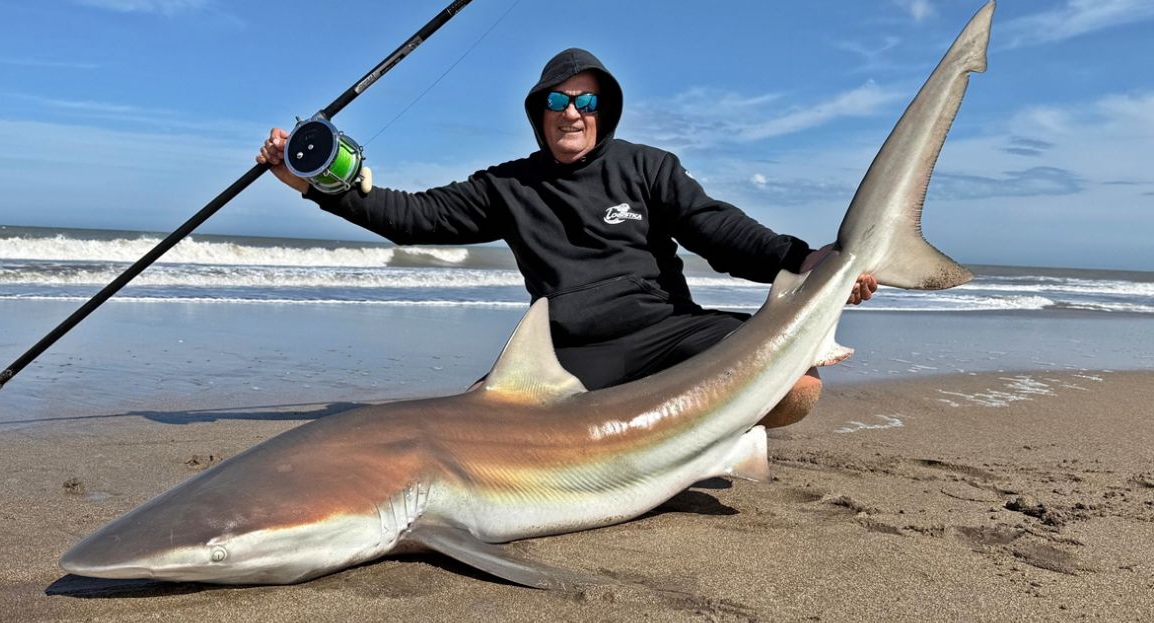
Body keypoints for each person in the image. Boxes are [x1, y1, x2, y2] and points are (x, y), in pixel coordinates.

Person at [259, 48, 876, 427]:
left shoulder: (647, 167)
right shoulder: (508, 187)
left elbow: (718, 231)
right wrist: (313, 184)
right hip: (569, 352)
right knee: (472, 425)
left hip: (668, 331)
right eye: (558, 100)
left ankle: (690, 441)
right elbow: (412, 217)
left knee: (797, 389)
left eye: (587, 101)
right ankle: (660, 434)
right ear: (540, 111)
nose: (572, 112)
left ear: (604, 111)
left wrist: (807, 260)